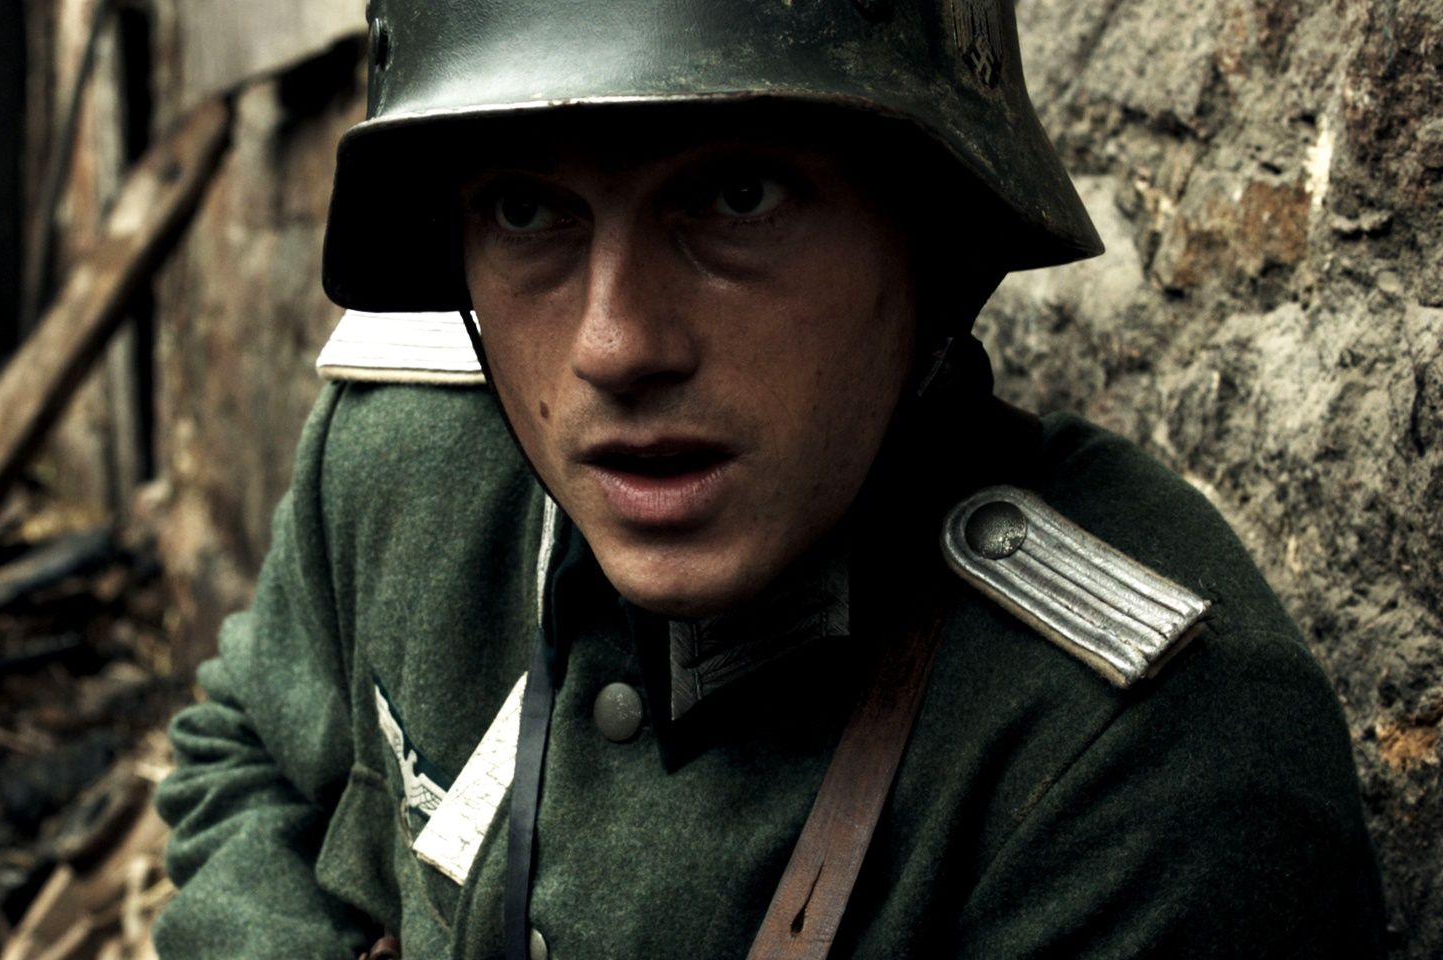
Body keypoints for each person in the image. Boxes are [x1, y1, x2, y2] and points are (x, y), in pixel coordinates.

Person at [151, 2, 1386, 958]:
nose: (616, 347)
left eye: (737, 196)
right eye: (527, 210)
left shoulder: (1142, 770)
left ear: (935, 232)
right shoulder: (411, 454)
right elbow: (248, 751)